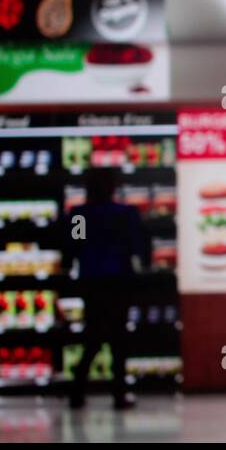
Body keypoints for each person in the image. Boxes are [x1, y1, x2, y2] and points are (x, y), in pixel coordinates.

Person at [62, 167, 149, 410]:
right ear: (113, 188)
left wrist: (72, 266)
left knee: (93, 336)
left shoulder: (80, 214)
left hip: (91, 280)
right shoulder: (126, 213)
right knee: (119, 338)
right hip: (119, 280)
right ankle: (119, 393)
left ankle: (77, 391)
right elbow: (137, 245)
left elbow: (74, 246)